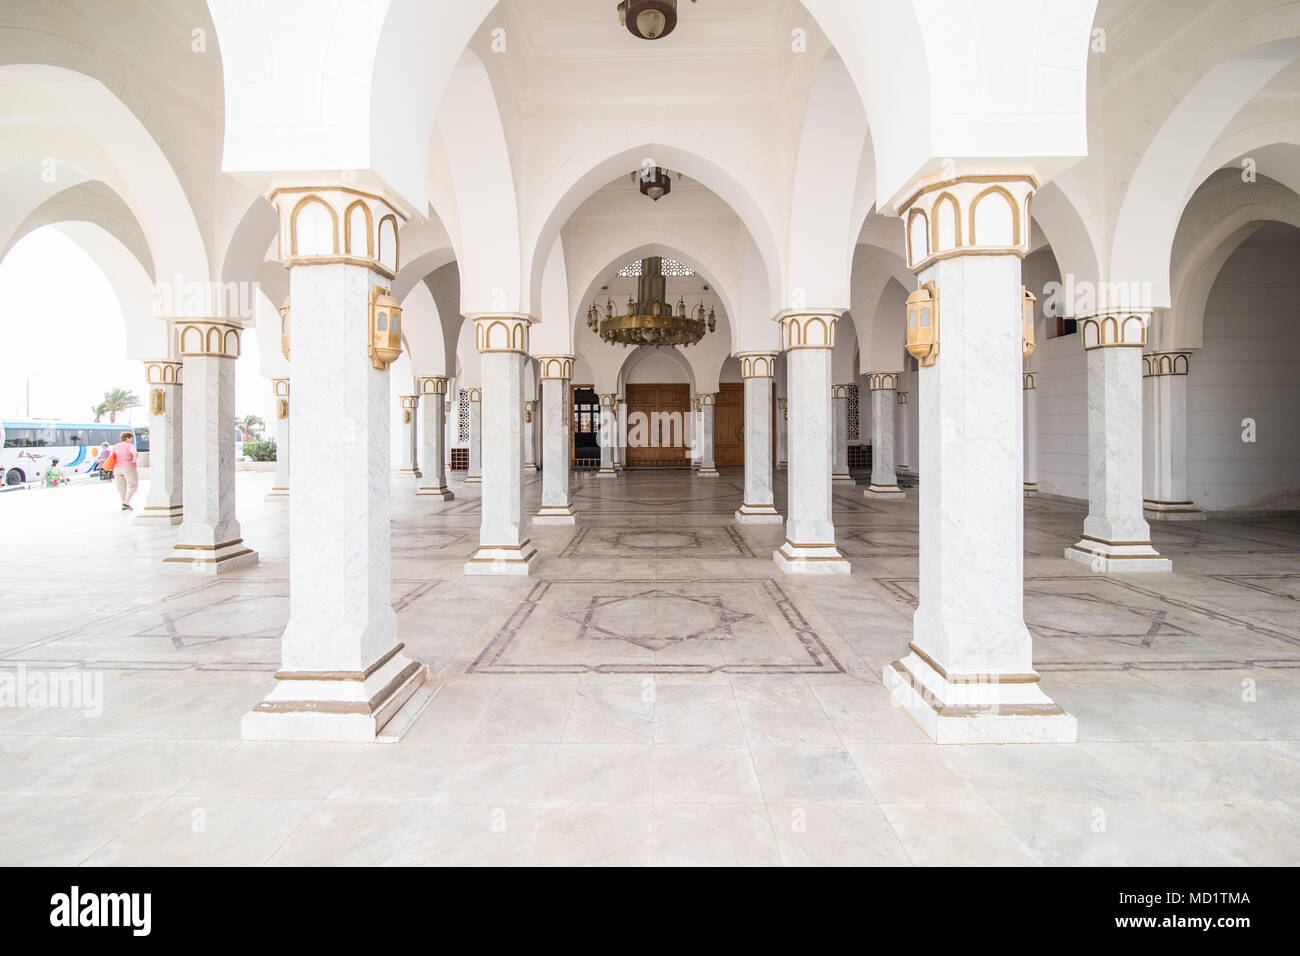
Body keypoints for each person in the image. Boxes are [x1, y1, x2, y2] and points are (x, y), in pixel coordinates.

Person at [110, 431, 139, 511]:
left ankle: (124, 503)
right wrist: (134, 460)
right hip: (128, 467)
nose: (132, 440)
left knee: (122, 487)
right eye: (131, 438)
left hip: (117, 468)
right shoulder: (129, 445)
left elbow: (111, 457)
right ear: (127, 438)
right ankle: (126, 503)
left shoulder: (116, 446)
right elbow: (135, 453)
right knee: (134, 485)